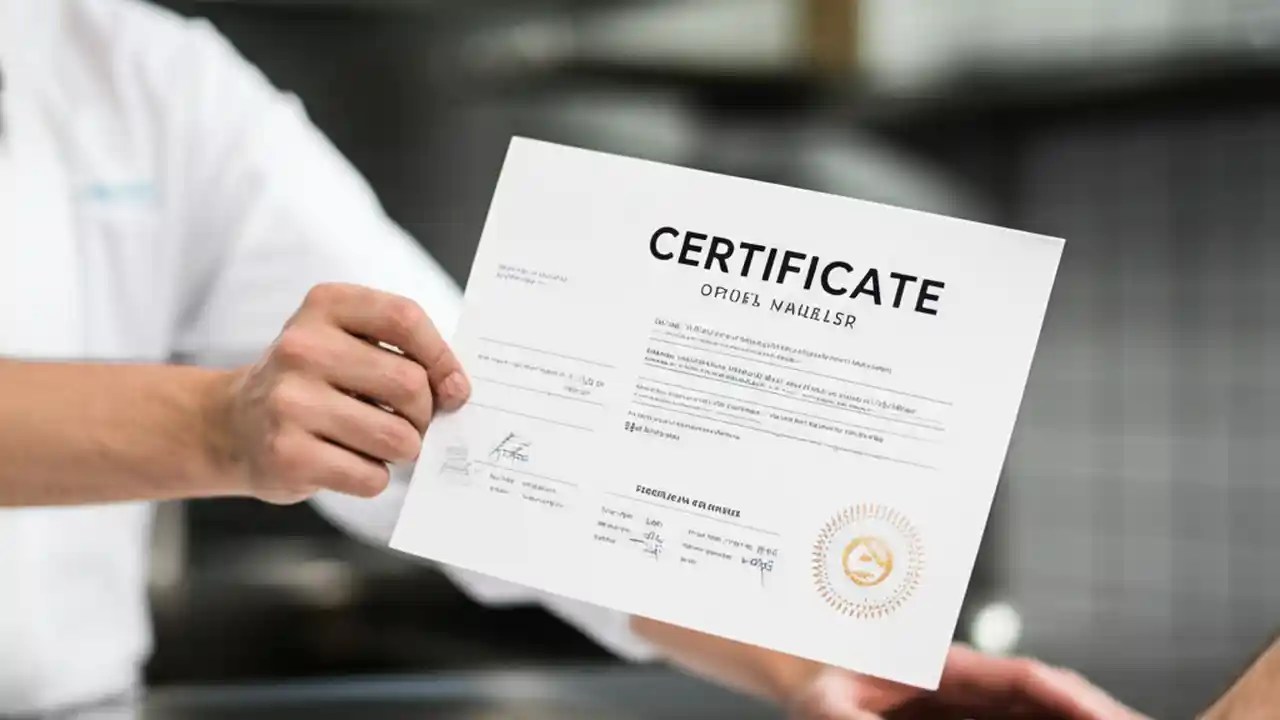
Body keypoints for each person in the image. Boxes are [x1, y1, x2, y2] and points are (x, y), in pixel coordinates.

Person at [0, 1, 1143, 717]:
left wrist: (810, 662)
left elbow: (472, 427)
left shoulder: (139, 73)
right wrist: (215, 427)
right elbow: (263, 416)